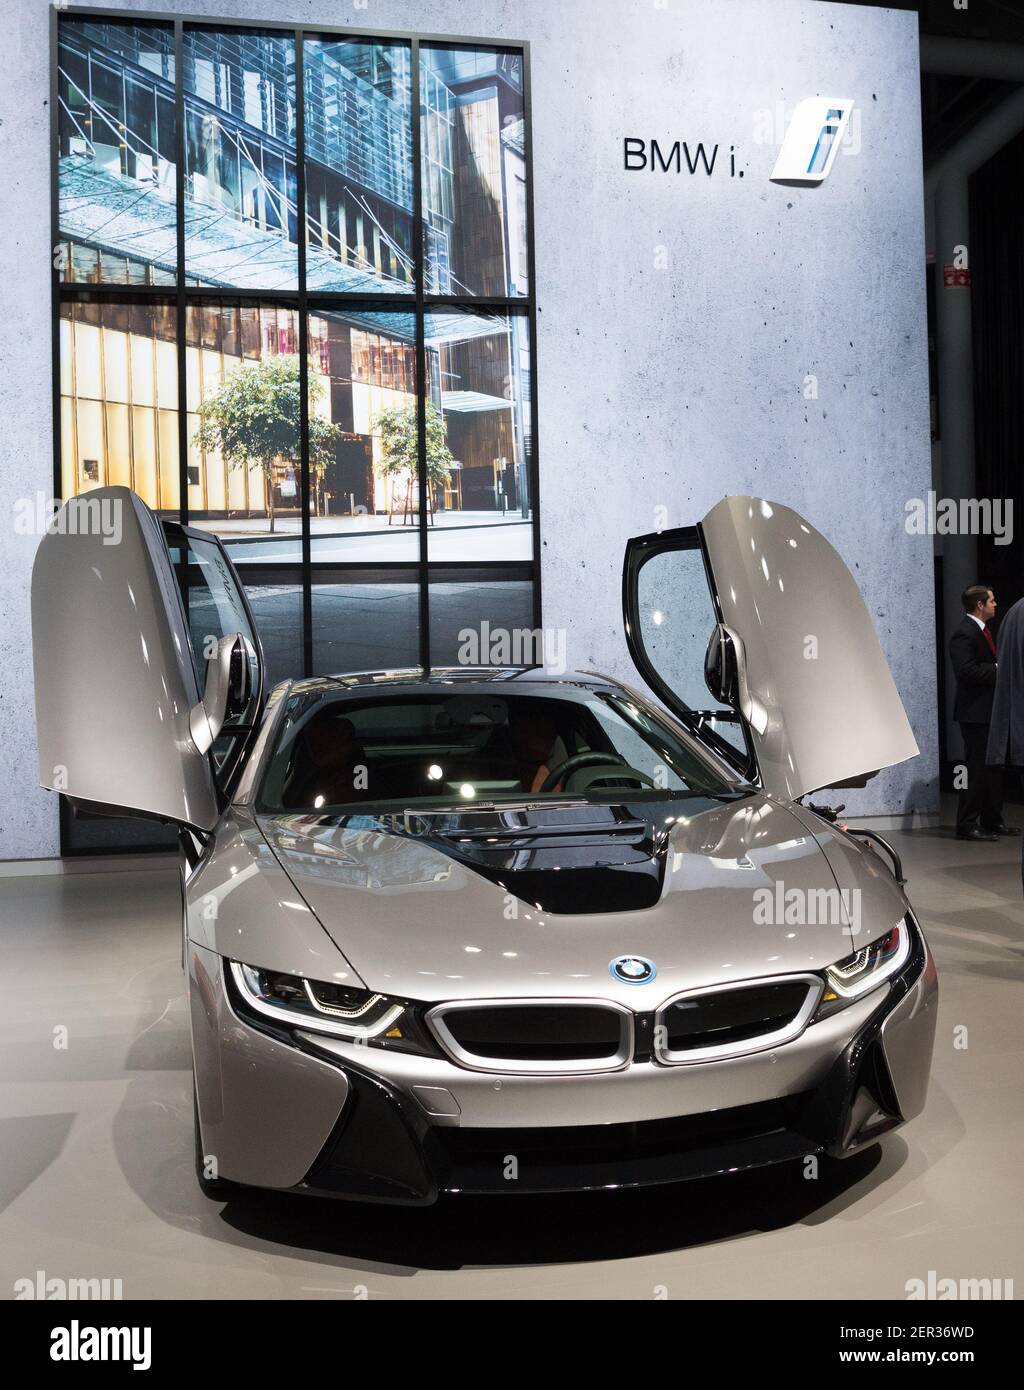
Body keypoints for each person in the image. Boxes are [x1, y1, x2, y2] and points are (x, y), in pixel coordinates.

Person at [950, 584, 1017, 841]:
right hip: (975, 714)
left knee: (994, 768)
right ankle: (966, 824)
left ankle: (992, 819)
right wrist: (1000, 668)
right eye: (991, 601)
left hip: (991, 712)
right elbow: (966, 671)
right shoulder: (964, 633)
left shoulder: (985, 631)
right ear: (980, 605)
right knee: (976, 769)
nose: (995, 605)